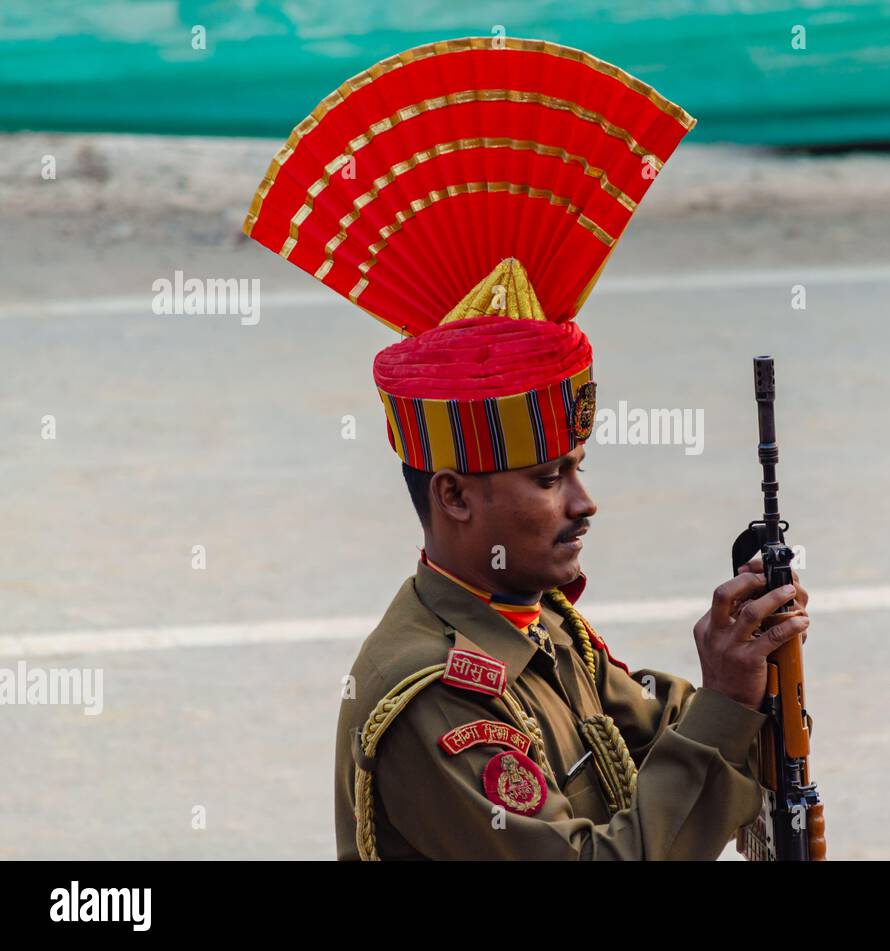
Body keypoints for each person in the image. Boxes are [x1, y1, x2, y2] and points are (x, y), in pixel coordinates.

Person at [241, 36, 810, 860]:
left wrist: (749, 661)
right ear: (456, 495)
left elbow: (662, 733)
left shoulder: (533, 622)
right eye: (548, 476)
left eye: (577, 469)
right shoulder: (438, 696)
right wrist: (726, 698)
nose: (583, 501)